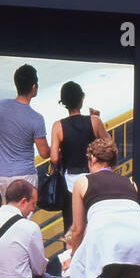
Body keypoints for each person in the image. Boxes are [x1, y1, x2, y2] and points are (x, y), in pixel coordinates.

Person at [63, 137, 140, 278]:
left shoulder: (82, 182)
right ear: (114, 161)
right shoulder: (131, 183)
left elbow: (77, 229)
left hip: (106, 245)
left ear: (93, 159)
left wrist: (74, 257)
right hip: (139, 245)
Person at [48, 80, 105, 247]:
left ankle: (72, 258)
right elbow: (109, 146)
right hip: (92, 181)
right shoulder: (94, 121)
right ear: (82, 99)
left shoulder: (58, 126)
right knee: (93, 223)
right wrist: (97, 119)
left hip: (70, 184)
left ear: (64, 102)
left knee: (72, 227)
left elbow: (54, 158)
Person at [0, 64, 49, 201]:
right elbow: (44, 153)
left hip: (2, 175)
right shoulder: (36, 118)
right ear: (33, 87)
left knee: (10, 213)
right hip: (24, 175)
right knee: (24, 217)